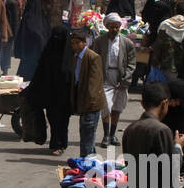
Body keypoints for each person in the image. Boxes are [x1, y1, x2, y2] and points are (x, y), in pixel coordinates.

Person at [25, 24, 73, 156]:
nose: (57, 39)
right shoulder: (48, 52)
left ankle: (61, 143)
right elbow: (40, 71)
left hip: (65, 96)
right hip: (51, 94)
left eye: (60, 37)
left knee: (62, 121)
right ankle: (56, 143)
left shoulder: (70, 55)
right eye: (55, 36)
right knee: (53, 119)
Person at [92, 14, 136, 147]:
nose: (115, 30)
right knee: (105, 107)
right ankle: (105, 135)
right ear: (107, 27)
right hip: (105, 77)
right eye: (112, 27)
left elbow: (131, 63)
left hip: (120, 77)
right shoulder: (99, 41)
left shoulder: (126, 43)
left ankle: (112, 134)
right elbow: (94, 60)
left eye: (117, 27)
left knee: (117, 108)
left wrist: (126, 78)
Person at [69, 28, 104, 158]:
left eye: (77, 43)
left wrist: (89, 103)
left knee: (88, 132)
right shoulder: (76, 57)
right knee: (86, 133)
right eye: (72, 43)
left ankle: (86, 160)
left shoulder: (93, 57)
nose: (75, 46)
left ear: (84, 42)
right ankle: (90, 158)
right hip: (82, 100)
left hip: (90, 103)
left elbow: (94, 84)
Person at [148, 0, 184, 81]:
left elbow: (159, 43)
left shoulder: (165, 24)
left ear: (175, 10)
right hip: (181, 65)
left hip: (164, 63)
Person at [14, 0, 51, 81]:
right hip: (39, 53)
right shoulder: (42, 18)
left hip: (28, 54)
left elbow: (20, 36)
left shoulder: (27, 18)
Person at [1, 0, 20, 75]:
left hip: (9, 33)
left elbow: (15, 20)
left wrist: (14, 35)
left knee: (7, 53)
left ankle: (5, 72)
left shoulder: (12, 3)